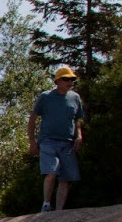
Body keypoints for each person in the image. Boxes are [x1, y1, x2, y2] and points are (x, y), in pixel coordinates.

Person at [28, 65, 85, 212]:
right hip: (48, 140)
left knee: (66, 178)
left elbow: (77, 120)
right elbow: (32, 119)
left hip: (67, 142)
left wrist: (79, 136)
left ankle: (59, 211)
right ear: (57, 81)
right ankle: (46, 204)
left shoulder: (75, 98)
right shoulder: (46, 97)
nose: (70, 82)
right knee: (51, 172)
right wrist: (32, 141)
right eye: (66, 79)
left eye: (72, 79)